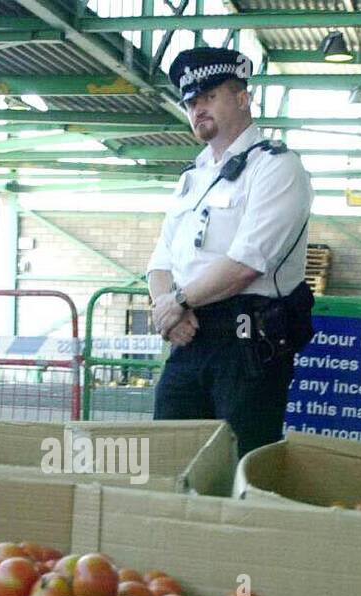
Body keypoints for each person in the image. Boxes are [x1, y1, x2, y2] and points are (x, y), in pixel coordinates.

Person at [147, 45, 313, 459]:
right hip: (187, 336)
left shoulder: (276, 167)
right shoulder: (191, 178)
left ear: (242, 98)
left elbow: (246, 263)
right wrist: (167, 308)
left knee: (241, 467)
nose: (197, 108)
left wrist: (177, 302)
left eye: (209, 97)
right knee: (169, 462)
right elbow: (161, 261)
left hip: (247, 348)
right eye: (191, 101)